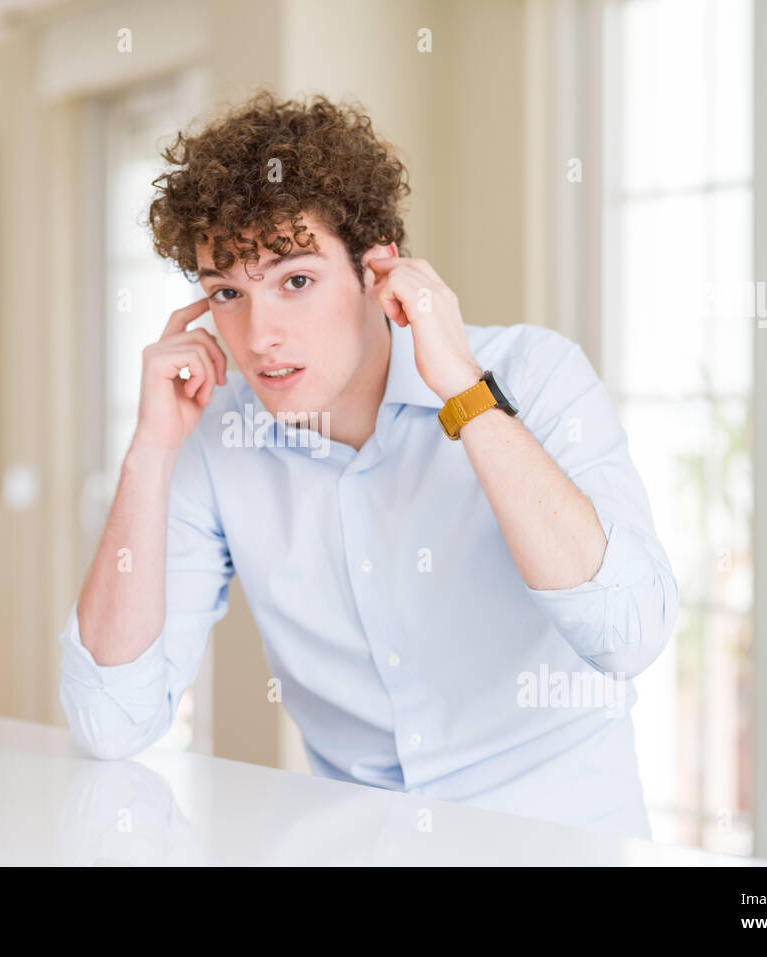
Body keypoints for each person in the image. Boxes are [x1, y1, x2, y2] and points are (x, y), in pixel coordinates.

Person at [59, 89, 678, 839]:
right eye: (228, 292)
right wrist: (148, 452)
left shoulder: (535, 374)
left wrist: (465, 395)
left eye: (295, 280)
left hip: (563, 841)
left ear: (376, 264)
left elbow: (628, 634)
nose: (260, 336)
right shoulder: (213, 436)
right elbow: (109, 719)